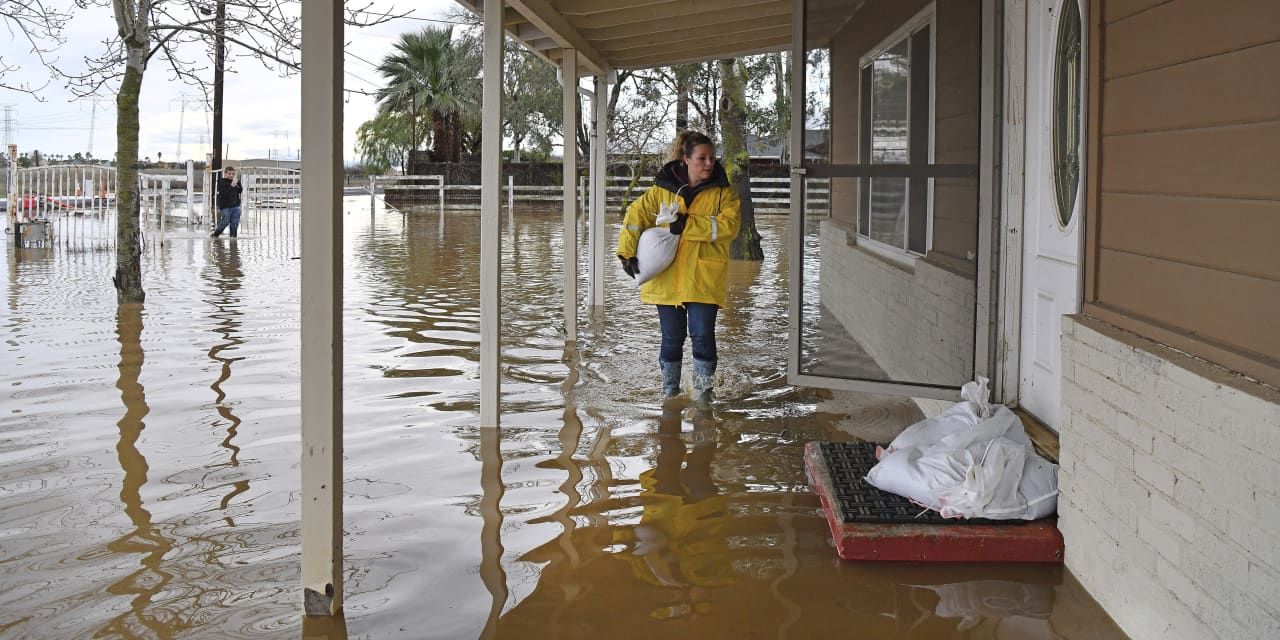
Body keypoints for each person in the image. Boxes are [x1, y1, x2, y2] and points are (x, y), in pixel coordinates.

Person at [615, 130, 741, 401]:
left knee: (703, 336)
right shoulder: (662, 191)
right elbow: (635, 217)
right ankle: (670, 395)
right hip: (668, 279)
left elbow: (730, 226)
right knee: (671, 338)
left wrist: (688, 225)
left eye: (712, 158)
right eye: (702, 158)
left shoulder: (724, 194)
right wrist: (626, 252)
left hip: (703, 277)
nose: (709, 164)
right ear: (686, 159)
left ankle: (703, 397)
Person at [210, 166, 243, 237]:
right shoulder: (222, 181)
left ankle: (233, 239)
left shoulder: (235, 181)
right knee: (225, 222)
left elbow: (240, 191)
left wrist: (238, 183)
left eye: (233, 174)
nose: (231, 175)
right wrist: (231, 186)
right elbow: (224, 193)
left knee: (235, 223)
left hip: (236, 206)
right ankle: (215, 235)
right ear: (225, 174)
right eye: (229, 173)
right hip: (225, 207)